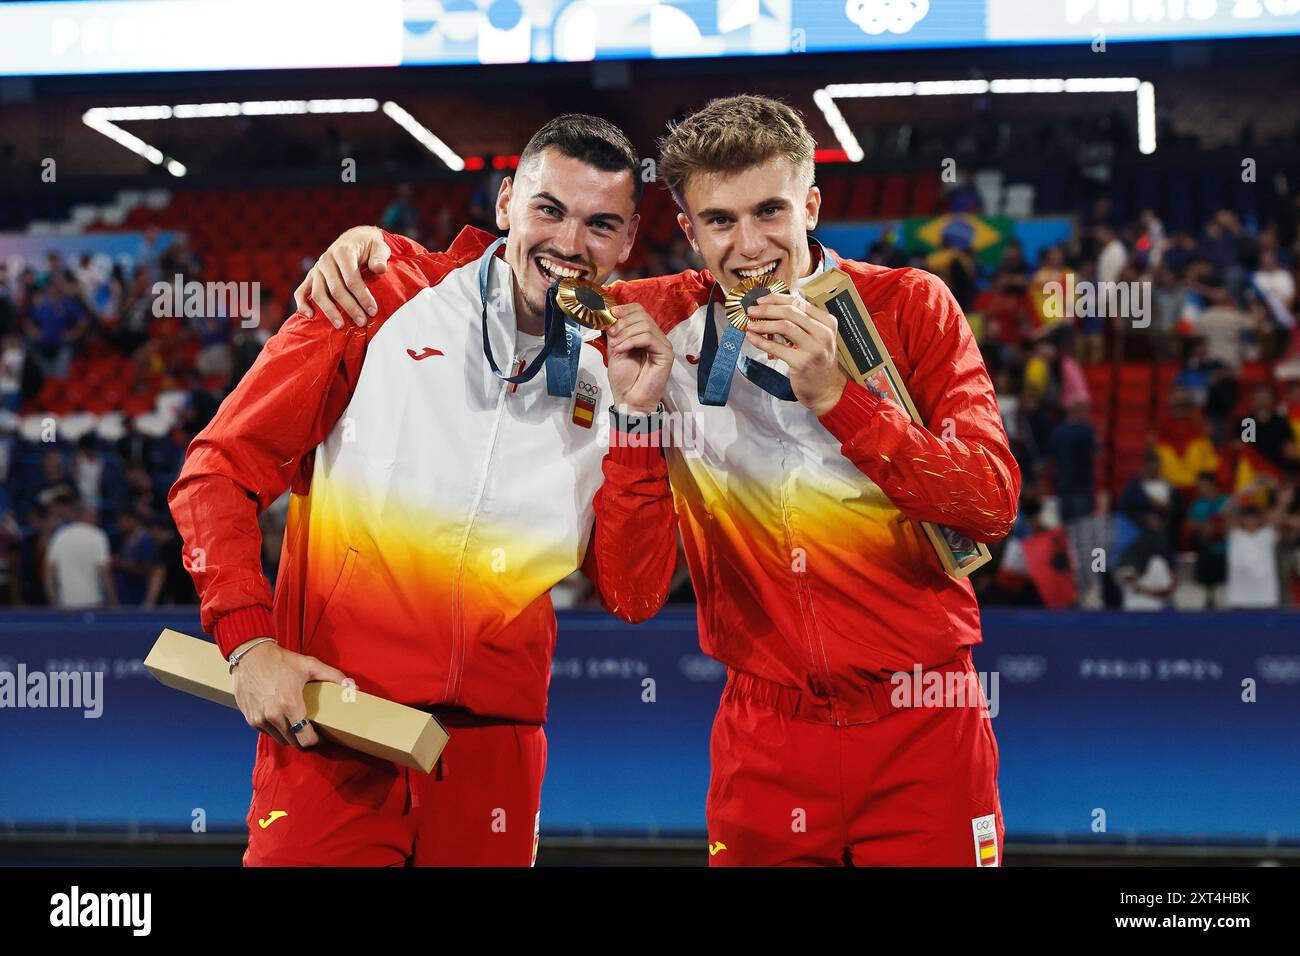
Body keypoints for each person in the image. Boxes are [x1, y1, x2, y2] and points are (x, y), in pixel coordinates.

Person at [304, 96, 1021, 866]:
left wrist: (840, 400)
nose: (749, 246)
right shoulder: (650, 319)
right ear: (687, 229)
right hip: (766, 738)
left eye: (770, 211)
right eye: (719, 221)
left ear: (811, 203)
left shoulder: (910, 306)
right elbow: (521, 267)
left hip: (924, 718)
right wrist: (380, 251)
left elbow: (989, 500)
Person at [168, 115, 680, 867]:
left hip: (496, 760)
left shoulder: (625, 366)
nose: (571, 244)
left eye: (600, 224)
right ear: (506, 203)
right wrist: (248, 644)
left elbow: (633, 595)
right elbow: (217, 468)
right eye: (549, 210)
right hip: (334, 730)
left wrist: (638, 425)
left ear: (629, 238)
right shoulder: (376, 295)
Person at [43, 495, 115, 610]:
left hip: (65, 605)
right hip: (94, 604)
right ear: (85, 515)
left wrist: (53, 600)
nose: (97, 517)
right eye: (94, 514)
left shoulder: (59, 536)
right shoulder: (98, 536)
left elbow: (49, 573)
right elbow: (105, 572)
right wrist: (112, 600)